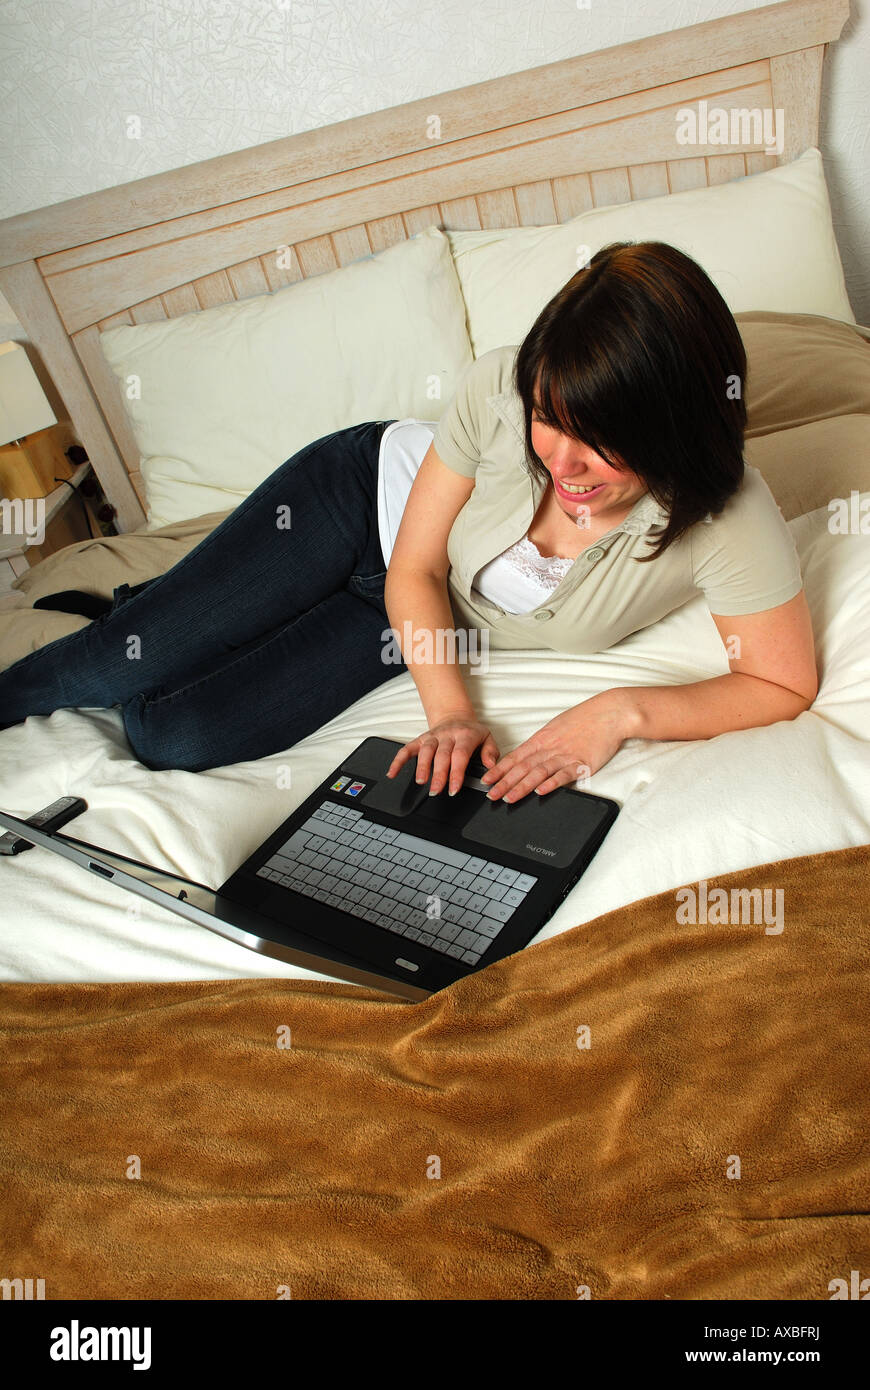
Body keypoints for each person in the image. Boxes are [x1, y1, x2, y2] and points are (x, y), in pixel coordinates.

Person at [0, 241, 818, 796]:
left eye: (602, 445)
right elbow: (419, 565)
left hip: (401, 611)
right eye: (547, 420)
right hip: (359, 508)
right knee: (111, 666)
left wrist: (623, 711)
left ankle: (158, 602)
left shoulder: (725, 513)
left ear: (673, 429)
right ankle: (141, 615)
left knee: (171, 734)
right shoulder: (498, 388)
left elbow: (780, 681)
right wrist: (452, 713)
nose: (562, 464)